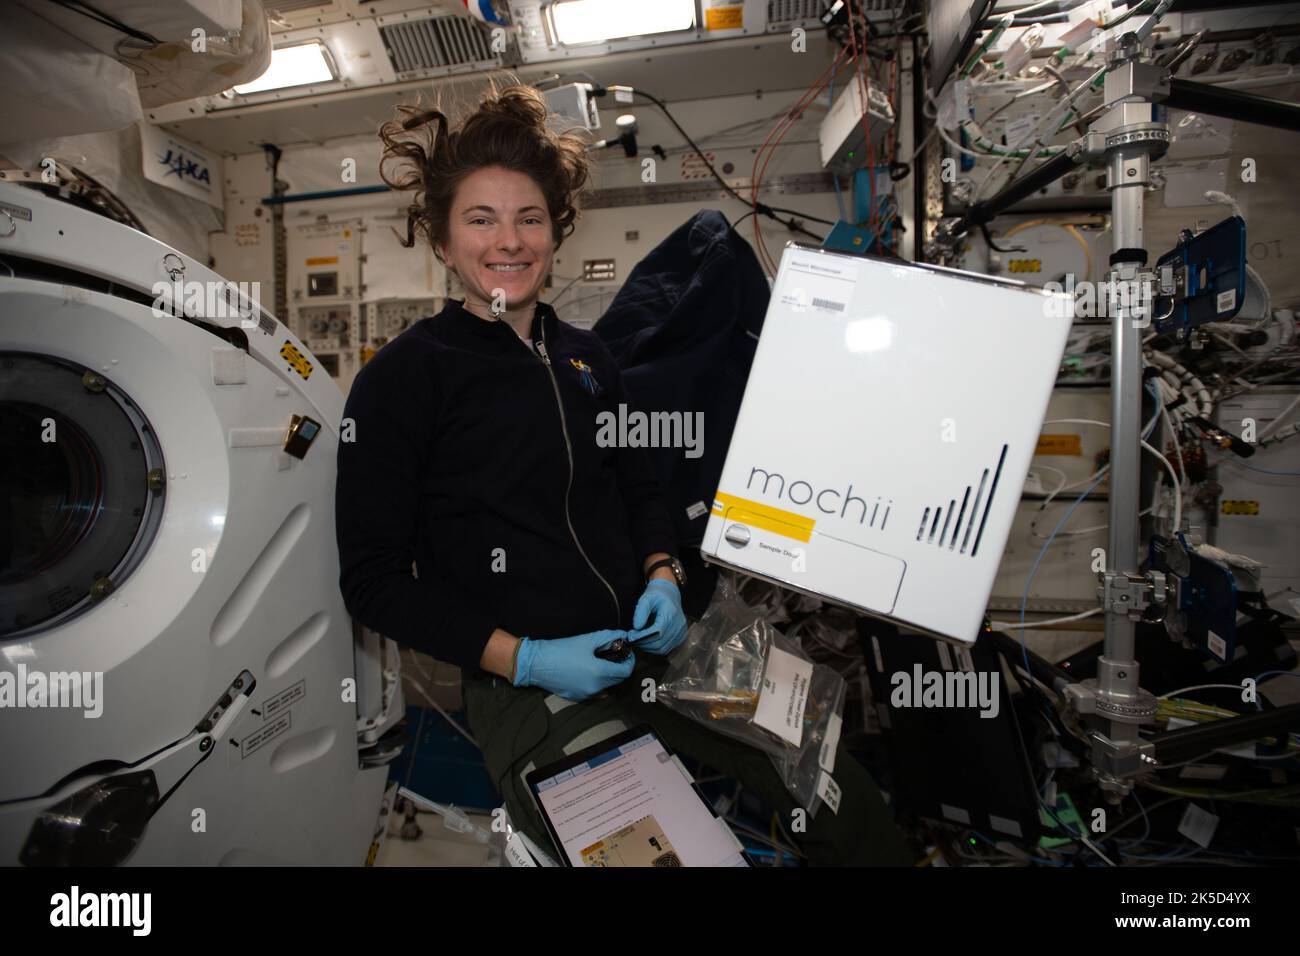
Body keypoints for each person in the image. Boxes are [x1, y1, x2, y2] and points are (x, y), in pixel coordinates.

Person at [335, 80, 912, 866]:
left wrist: (663, 573)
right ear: (442, 240)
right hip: (532, 687)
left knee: (836, 785)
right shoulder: (403, 380)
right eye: (481, 219)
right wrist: (525, 657)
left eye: (528, 218)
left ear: (554, 232)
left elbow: (639, 485)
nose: (509, 240)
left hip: (661, 648)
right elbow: (372, 582)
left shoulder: (589, 358)